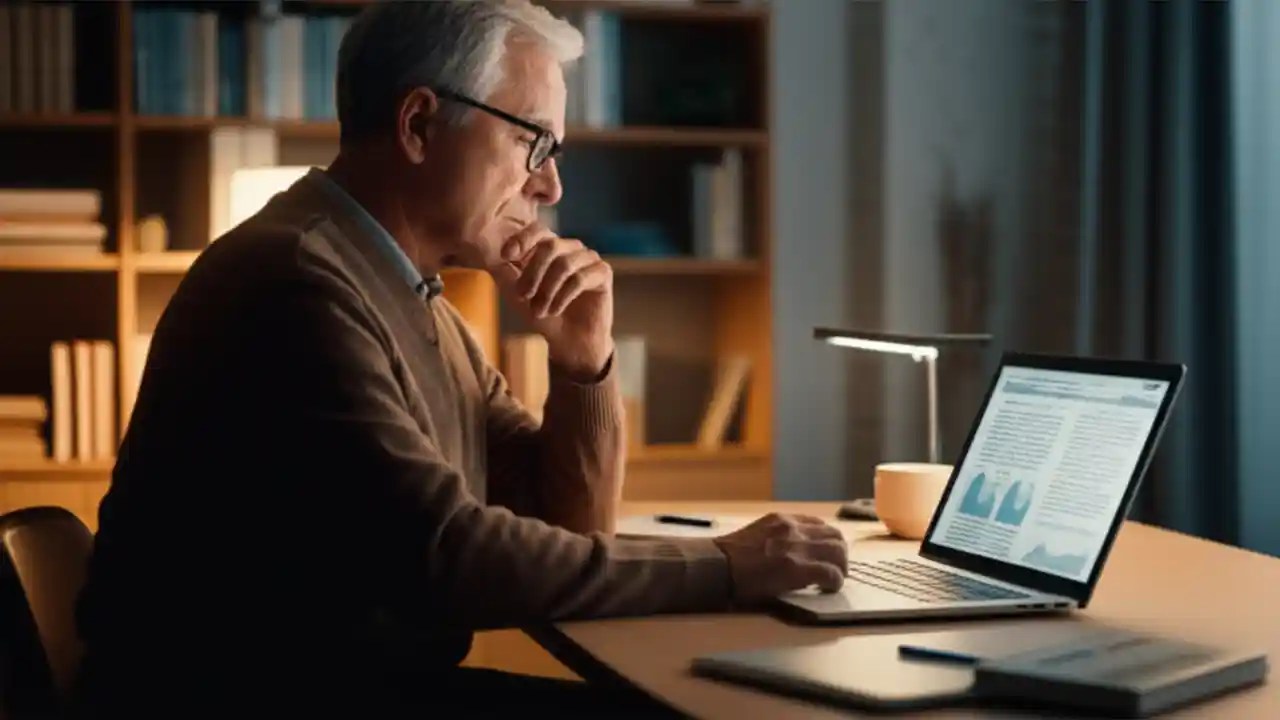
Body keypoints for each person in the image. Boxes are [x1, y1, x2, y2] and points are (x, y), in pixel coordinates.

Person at [72, 1, 847, 716]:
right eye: (530, 141)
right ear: (418, 124)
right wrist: (727, 566)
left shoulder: (409, 291)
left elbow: (571, 527)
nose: (549, 184)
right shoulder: (297, 283)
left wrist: (585, 364)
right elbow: (451, 555)